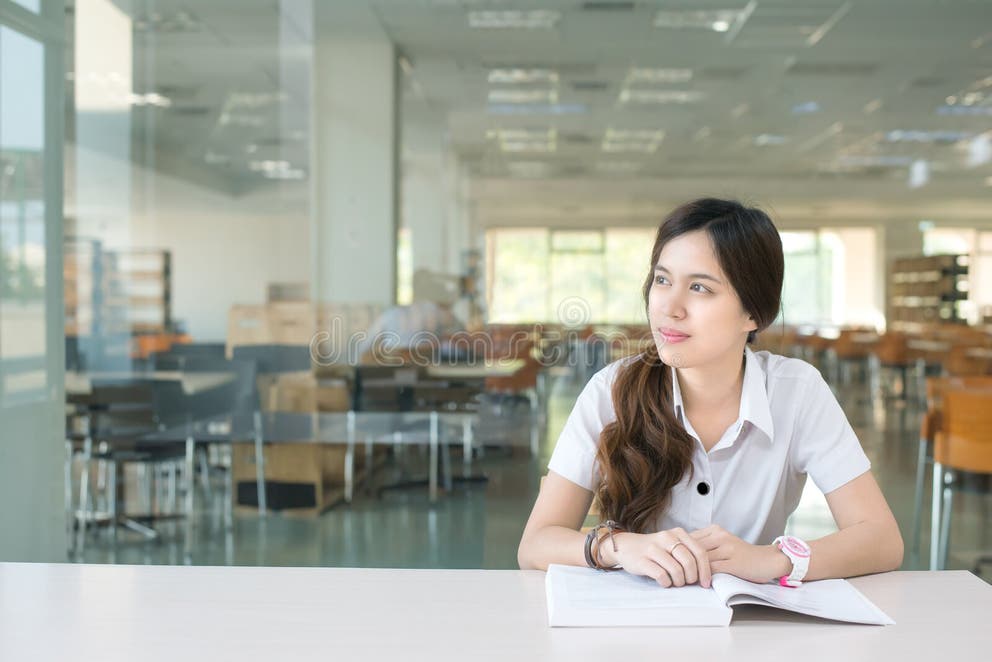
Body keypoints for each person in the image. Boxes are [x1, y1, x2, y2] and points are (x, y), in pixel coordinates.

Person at [517, 198, 903, 589]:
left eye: (699, 287)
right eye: (662, 280)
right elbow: (535, 544)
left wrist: (770, 558)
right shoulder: (610, 390)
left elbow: (882, 540)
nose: (670, 307)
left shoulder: (797, 392)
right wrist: (615, 547)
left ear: (753, 314)